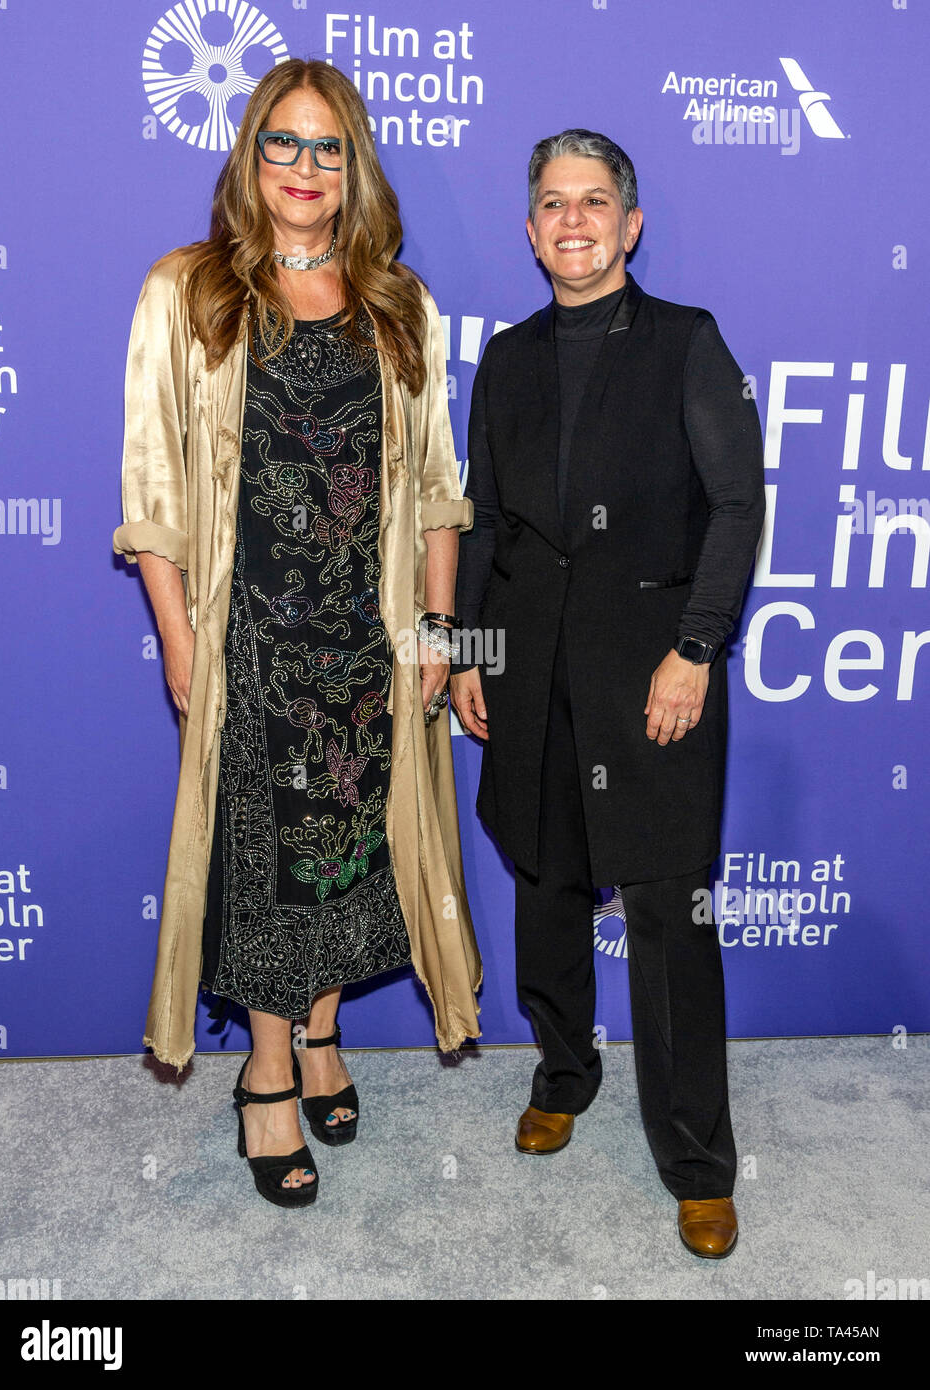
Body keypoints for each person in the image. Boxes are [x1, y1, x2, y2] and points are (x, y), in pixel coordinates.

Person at [114, 59, 481, 1208]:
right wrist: (179, 639)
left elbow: (437, 485)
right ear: (251, 155)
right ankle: (266, 1072)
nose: (305, 167)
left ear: (353, 164)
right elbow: (152, 487)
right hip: (251, 647)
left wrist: (438, 627)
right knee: (267, 869)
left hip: (370, 642)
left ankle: (322, 1035)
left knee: (353, 856)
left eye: (328, 147)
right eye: (284, 142)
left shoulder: (399, 303)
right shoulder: (188, 291)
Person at [451, 129, 765, 1257]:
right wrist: (470, 650)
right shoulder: (507, 358)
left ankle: (696, 1160)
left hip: (652, 675)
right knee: (545, 882)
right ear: (531, 230)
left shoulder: (685, 341)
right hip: (529, 664)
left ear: (629, 225)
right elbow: (484, 519)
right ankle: (562, 1071)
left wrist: (695, 648)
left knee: (668, 914)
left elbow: (734, 505)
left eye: (594, 200)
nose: (572, 219)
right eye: (552, 202)